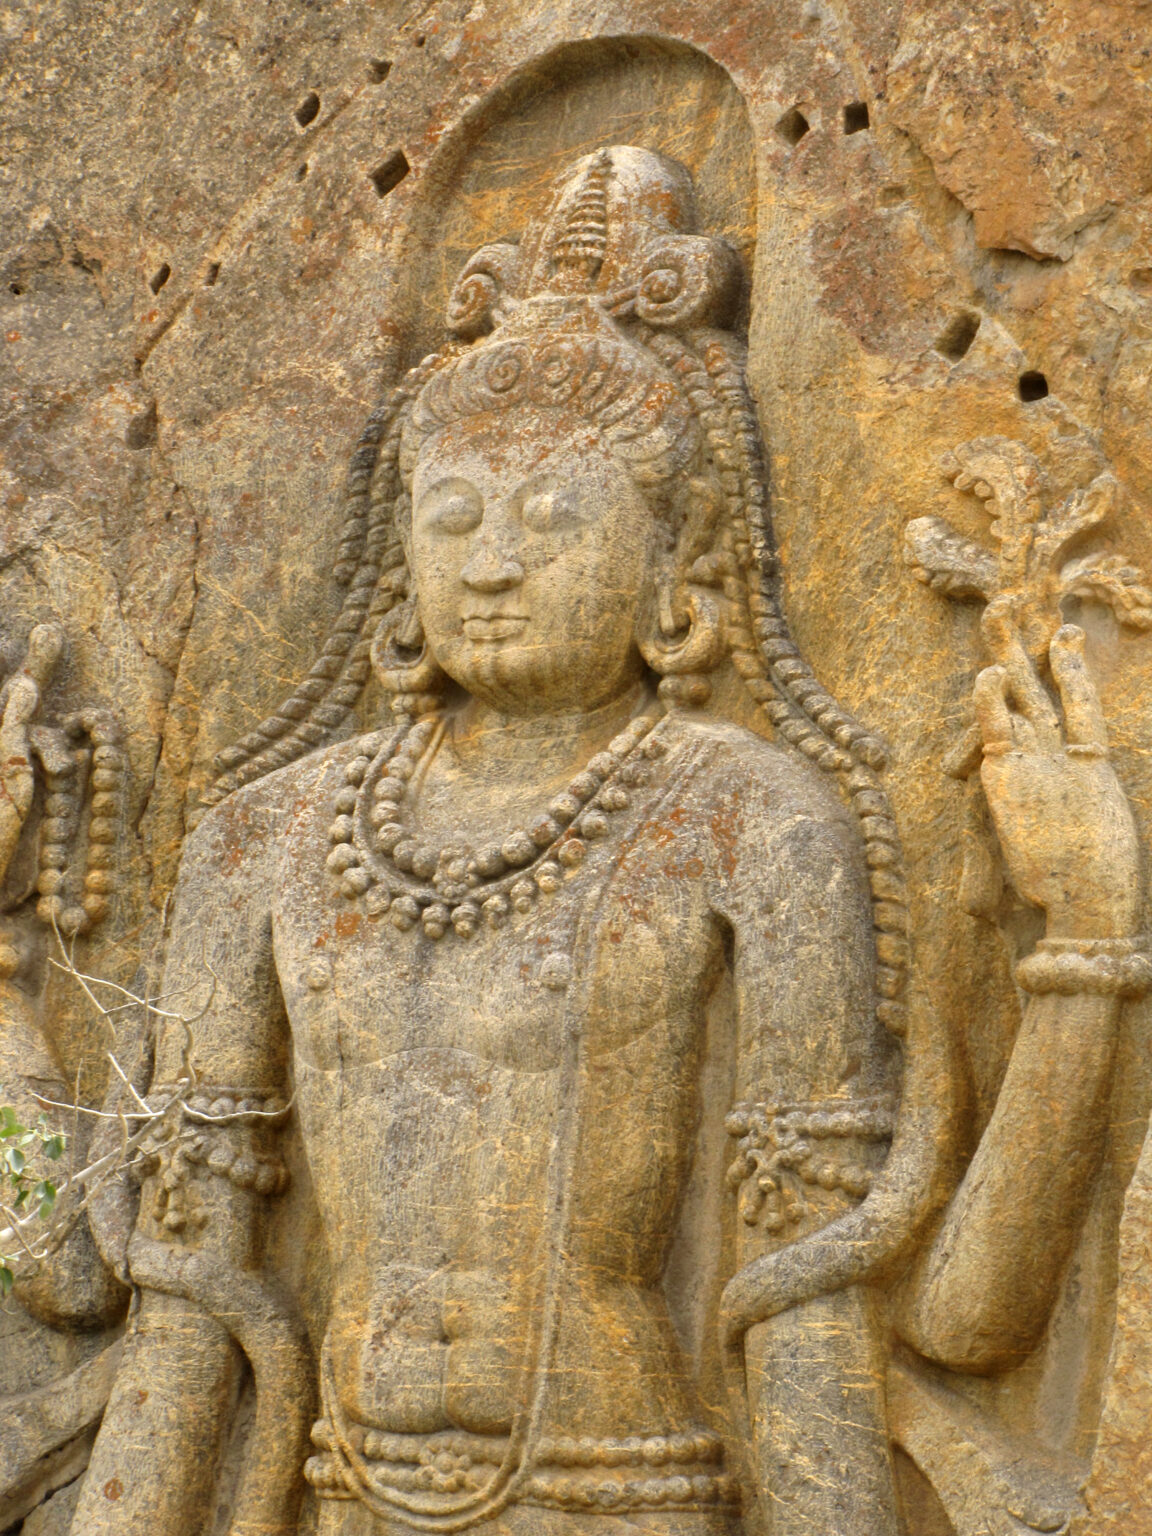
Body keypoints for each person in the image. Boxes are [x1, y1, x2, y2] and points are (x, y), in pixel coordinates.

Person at [70, 147, 1144, 1536]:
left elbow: (814, 1301)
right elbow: (183, 1311)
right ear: (399, 559)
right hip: (335, 1484)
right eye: (451, 518)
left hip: (627, 1479)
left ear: (673, 558)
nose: (493, 563)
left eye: (555, 515)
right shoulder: (263, 841)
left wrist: (1090, 941)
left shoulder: (747, 818)